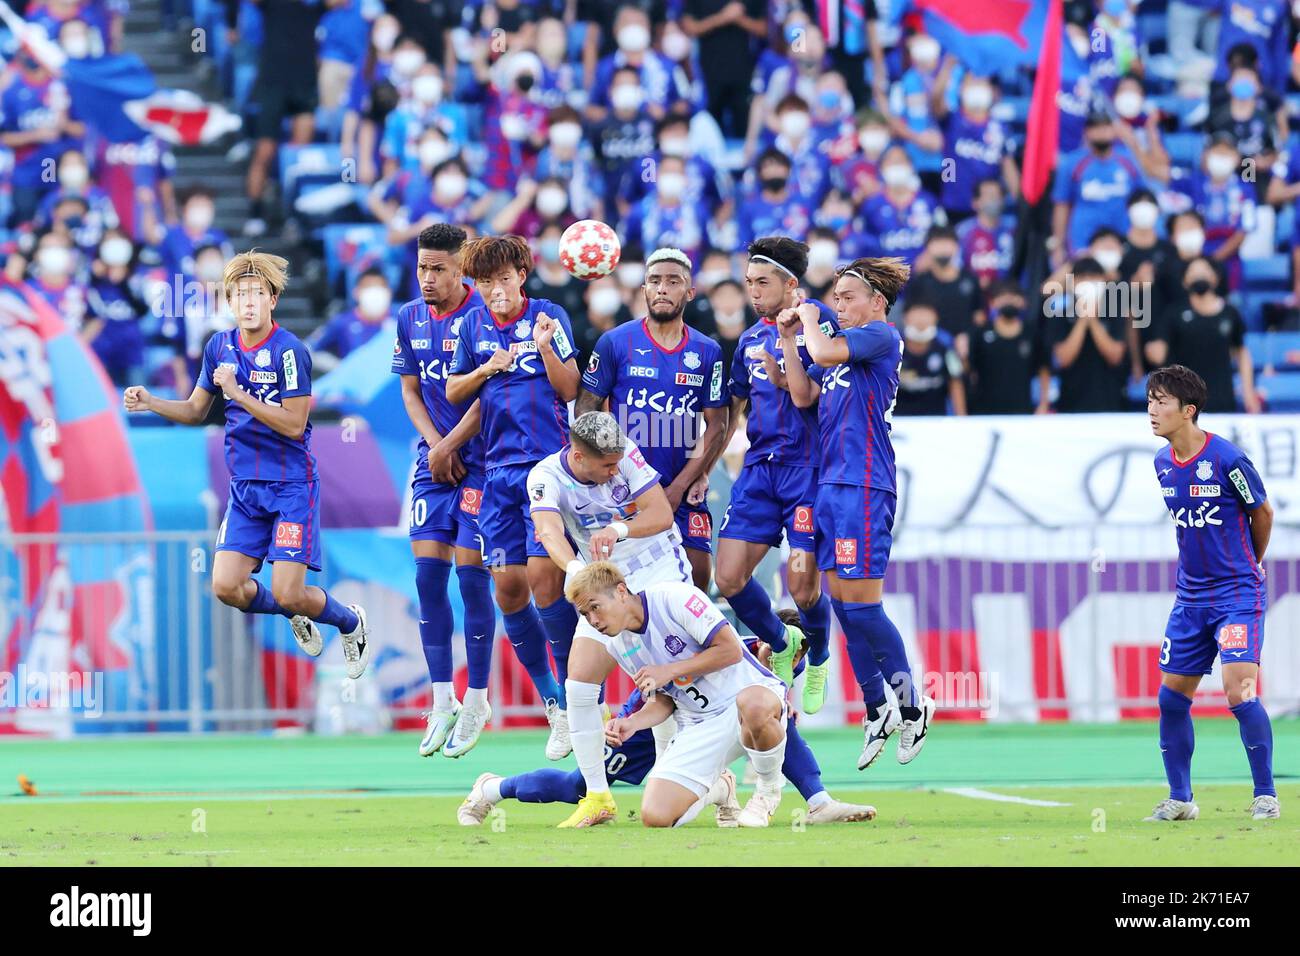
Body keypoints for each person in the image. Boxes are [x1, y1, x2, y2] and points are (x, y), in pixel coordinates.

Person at [123, 251, 371, 677]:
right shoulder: (219, 345)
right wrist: (150, 403)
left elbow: (295, 425)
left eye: (258, 293)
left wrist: (237, 394)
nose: (249, 302)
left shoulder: (290, 352)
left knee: (291, 591)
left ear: (273, 300)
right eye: (240, 294)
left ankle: (350, 622)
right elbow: (196, 410)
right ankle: (292, 612)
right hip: (245, 489)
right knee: (225, 586)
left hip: (290, 486)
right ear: (230, 302)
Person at [458, 614, 875, 828]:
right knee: (578, 787)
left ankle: (816, 801)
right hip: (652, 714)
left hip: (700, 728)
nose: (793, 660)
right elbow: (664, 697)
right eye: (789, 649)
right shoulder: (734, 647)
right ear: (768, 638)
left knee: (780, 724)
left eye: (800, 656)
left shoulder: (785, 670)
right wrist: (634, 722)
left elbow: (772, 718)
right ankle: (492, 788)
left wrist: (779, 704)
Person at [782, 257, 936, 770]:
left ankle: (913, 703)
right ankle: (877, 708)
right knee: (842, 606)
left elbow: (822, 349)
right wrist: (786, 342)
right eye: (837, 297)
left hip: (863, 486)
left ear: (877, 302)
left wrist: (805, 313)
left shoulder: (880, 337)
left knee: (865, 607)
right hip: (829, 487)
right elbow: (803, 391)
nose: (840, 305)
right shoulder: (843, 356)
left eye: (848, 297)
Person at [446, 234, 581, 760]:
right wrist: (486, 368)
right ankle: (553, 702)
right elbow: (456, 390)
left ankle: (576, 701)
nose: (495, 289)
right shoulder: (472, 326)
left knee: (546, 580)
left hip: (546, 470)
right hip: (495, 474)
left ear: (521, 275)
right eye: (484, 281)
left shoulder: (549, 316)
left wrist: (545, 347)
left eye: (503, 278)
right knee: (507, 588)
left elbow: (569, 389)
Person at [561, 562, 790, 829]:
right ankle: (720, 788)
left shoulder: (675, 597)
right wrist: (632, 723)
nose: (593, 621)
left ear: (621, 591)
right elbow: (665, 698)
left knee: (753, 703)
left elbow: (730, 651)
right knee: (656, 816)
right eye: (585, 614)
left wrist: (669, 670)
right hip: (699, 724)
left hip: (746, 701)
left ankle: (768, 790)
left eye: (595, 607)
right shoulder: (619, 644)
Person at [1146, 365, 1278, 822]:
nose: (1152, 410)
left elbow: (1262, 513)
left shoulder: (1227, 460)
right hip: (1190, 599)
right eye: (1149, 401)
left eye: (1161, 402)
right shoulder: (1162, 463)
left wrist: (1249, 566)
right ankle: (1181, 799)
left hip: (1237, 593)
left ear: (1189, 410)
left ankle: (1265, 795)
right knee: (1170, 698)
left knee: (1239, 691)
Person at [716, 236, 836, 713]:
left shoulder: (820, 324)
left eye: (762, 282)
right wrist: (705, 468)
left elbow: (813, 396)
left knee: (804, 587)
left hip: (806, 471)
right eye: (748, 282)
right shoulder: (747, 340)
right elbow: (733, 410)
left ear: (791, 284)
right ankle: (783, 644)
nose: (753, 291)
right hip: (759, 472)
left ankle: (821, 653)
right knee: (728, 578)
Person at [391, 225, 498, 758]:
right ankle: (442, 699)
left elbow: (486, 400)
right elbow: (410, 388)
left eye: (439, 269)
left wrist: (450, 446)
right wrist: (436, 445)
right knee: (427, 578)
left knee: (471, 576)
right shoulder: (409, 317)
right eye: (422, 268)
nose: (428, 279)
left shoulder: (484, 317)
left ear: (462, 271)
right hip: (435, 461)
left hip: (482, 463)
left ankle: (478, 697)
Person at [575, 248, 729, 593]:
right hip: (623, 489)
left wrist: (680, 486)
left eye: (673, 282)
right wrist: (606, 467)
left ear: (689, 293)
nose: (662, 288)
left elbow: (717, 425)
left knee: (696, 582)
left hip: (682, 487)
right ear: (643, 289)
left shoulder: (708, 352)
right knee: (622, 589)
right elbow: (585, 408)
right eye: (655, 281)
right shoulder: (615, 342)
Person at [1147, 258, 1259, 414]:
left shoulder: (1230, 313)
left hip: (1222, 399)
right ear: (1184, 281)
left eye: (1204, 271)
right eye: (1193, 272)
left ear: (1216, 277)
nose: (1199, 276)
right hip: (1183, 402)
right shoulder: (1173, 314)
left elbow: (1241, 353)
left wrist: (1248, 392)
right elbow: (1159, 354)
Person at [1048, 258, 1128, 412]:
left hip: (1111, 403)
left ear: (1104, 281)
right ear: (1072, 283)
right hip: (1071, 403)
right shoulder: (1060, 315)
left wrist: (1093, 321)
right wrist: (1083, 321)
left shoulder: (1116, 312)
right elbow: (1063, 359)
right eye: (1082, 278)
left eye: (1093, 277)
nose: (1088, 283)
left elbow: (1115, 356)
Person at [968, 282, 1050, 416]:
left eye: (1013, 296)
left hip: (1023, 411)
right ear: (992, 303)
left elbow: (1044, 368)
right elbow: (971, 372)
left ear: (1023, 302)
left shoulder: (1032, 334)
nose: (1008, 301)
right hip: (984, 412)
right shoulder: (979, 334)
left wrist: (1043, 404)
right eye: (1003, 297)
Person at [893, 299, 965, 417]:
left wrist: (961, 418)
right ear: (905, 317)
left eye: (926, 313)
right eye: (916, 313)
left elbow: (956, 382)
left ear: (936, 318)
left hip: (936, 421)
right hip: (899, 420)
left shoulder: (946, 347)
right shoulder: (892, 348)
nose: (921, 319)